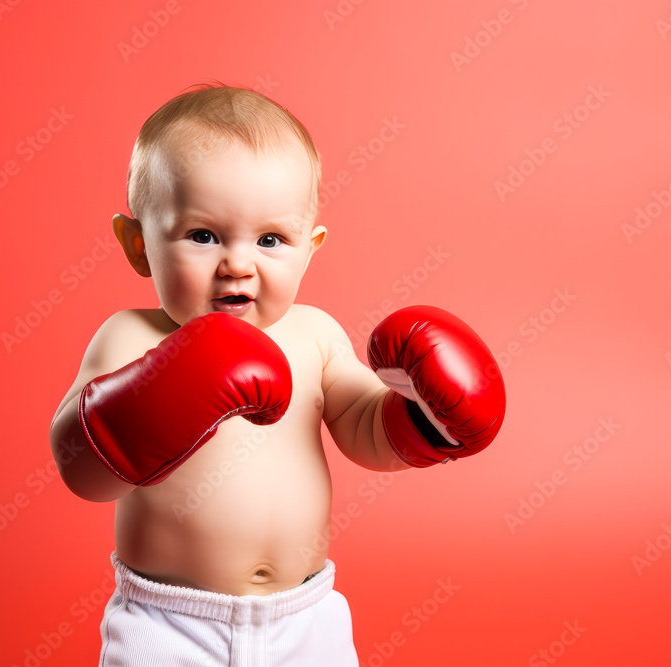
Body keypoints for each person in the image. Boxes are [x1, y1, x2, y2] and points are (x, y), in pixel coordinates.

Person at [49, 84, 506, 666]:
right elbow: (81, 470)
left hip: (304, 620)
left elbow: (366, 429)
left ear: (310, 248)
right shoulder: (130, 337)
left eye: (270, 240)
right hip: (171, 625)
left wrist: (426, 416)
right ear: (139, 245)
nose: (238, 263)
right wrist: (148, 404)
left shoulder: (314, 335)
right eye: (202, 235)